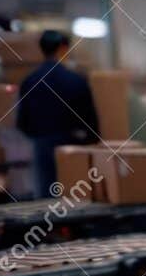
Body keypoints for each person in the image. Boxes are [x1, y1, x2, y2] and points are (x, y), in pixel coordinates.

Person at [15, 29, 99, 200]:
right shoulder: (76, 80)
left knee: (47, 197)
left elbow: (22, 123)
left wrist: (40, 137)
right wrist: (89, 142)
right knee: (74, 196)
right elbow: (91, 122)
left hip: (42, 147)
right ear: (63, 48)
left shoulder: (30, 81)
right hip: (73, 146)